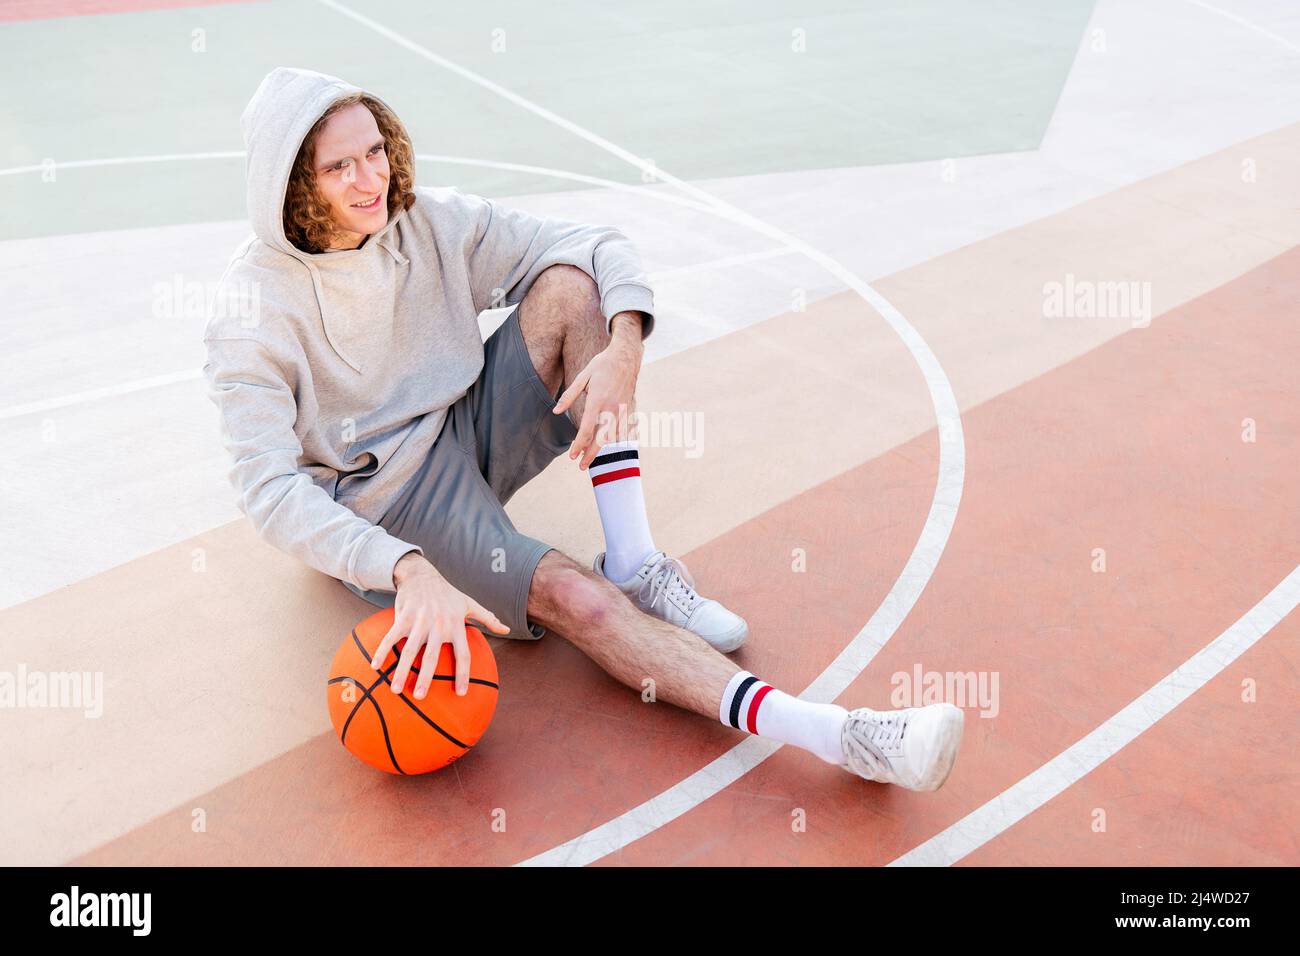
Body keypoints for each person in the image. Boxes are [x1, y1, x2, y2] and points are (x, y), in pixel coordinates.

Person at [204, 67, 964, 792]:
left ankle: (632, 556)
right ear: (296, 185)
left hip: (463, 426)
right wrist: (402, 567)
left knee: (572, 287)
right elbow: (266, 487)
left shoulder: (426, 222)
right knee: (581, 599)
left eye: (375, 152)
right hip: (388, 501)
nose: (371, 180)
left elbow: (594, 243)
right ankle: (843, 736)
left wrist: (625, 344)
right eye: (341, 168)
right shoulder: (254, 310)